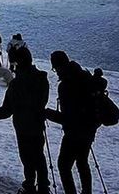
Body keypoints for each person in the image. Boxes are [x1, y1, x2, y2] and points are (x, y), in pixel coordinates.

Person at [0, 46, 50, 194]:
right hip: (37, 125)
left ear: (18, 63)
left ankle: (29, 186)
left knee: (27, 158)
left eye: (14, 63)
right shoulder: (42, 79)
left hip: (23, 127)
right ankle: (43, 188)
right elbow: (42, 102)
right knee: (39, 156)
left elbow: (5, 111)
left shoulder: (16, 84)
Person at [45, 50, 99, 194]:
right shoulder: (84, 76)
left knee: (63, 165)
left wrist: (48, 113)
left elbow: (68, 117)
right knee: (82, 162)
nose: (56, 72)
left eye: (55, 68)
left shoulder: (66, 85)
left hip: (74, 132)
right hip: (89, 129)